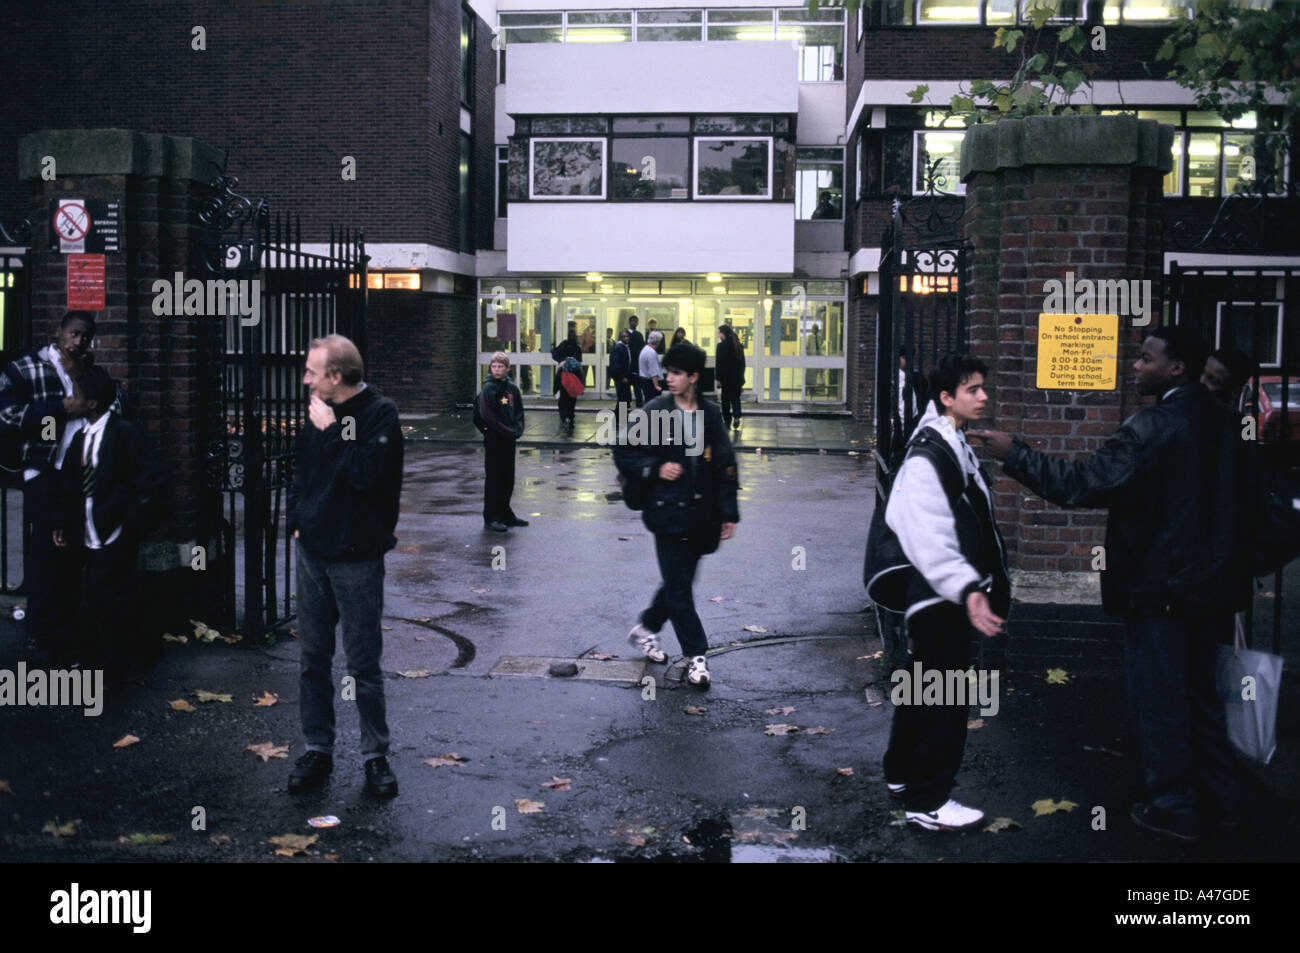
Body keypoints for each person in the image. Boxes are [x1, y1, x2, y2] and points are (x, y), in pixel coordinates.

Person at [970, 327, 1249, 842]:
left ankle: (1174, 809)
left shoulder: (1152, 427)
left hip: (1160, 592)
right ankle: (1222, 804)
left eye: (1146, 359)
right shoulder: (1229, 423)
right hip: (1210, 593)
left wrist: (1015, 452)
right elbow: (1254, 509)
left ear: (1177, 368)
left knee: (1161, 704)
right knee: (1203, 701)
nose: (1136, 367)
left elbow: (1079, 484)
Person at [876, 354, 1008, 832]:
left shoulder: (951, 440)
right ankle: (928, 801)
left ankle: (901, 775)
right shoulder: (929, 452)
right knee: (945, 699)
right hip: (940, 599)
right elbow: (925, 529)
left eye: (982, 387)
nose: (984, 396)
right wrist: (968, 589)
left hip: (941, 594)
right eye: (973, 389)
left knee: (921, 689)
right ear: (946, 398)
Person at [287, 334, 404, 798]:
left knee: (362, 664)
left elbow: (365, 477)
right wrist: (296, 519)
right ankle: (318, 747)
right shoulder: (317, 411)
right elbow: (300, 471)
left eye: (313, 372)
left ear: (336, 376)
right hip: (312, 552)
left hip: (356, 557)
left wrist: (333, 429)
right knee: (312, 658)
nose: (306, 379)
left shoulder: (381, 414)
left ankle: (375, 756)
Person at [614, 341, 739, 689]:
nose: (668, 378)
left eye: (676, 373)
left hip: (702, 515)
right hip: (666, 514)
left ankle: (645, 628)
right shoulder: (656, 410)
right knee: (681, 589)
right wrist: (655, 468)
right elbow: (624, 451)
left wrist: (728, 513)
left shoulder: (709, 414)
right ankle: (697, 656)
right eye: (667, 371)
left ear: (694, 377)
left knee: (677, 583)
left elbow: (726, 464)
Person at [0, 311, 118, 664]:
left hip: (81, 469)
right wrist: (60, 409)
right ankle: (40, 632)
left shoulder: (88, 369)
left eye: (86, 337)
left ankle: (65, 630)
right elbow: (5, 414)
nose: (79, 342)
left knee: (74, 551)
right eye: (74, 334)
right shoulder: (26, 368)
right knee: (46, 550)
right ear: (59, 332)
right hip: (45, 470)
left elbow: (114, 404)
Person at [52, 366, 164, 681]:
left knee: (112, 594)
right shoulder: (80, 438)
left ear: (91, 403)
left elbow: (148, 479)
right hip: (85, 527)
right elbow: (68, 483)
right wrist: (62, 520)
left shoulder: (123, 433)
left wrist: (129, 520)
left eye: (74, 395)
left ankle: (115, 664)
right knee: (92, 593)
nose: (68, 400)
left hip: (112, 529)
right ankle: (96, 658)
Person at [473, 351, 527, 533]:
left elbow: (519, 411)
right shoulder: (488, 389)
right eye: (494, 366)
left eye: (500, 367)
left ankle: (505, 513)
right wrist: (503, 431)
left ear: (507, 368)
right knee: (494, 479)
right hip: (495, 439)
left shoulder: (512, 389)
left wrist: (518, 429)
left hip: (509, 439)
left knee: (507, 478)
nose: (496, 370)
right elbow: (486, 416)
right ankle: (491, 517)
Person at [551, 321, 583, 435]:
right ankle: (570, 416)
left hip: (564, 377)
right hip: (573, 378)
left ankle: (564, 417)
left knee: (563, 399)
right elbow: (580, 364)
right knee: (572, 400)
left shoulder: (564, 345)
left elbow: (554, 354)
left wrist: (554, 390)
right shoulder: (577, 348)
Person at [715, 324, 746, 430]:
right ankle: (736, 417)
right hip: (737, 378)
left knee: (725, 401)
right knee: (736, 399)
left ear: (723, 333)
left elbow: (719, 363)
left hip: (726, 378)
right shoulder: (738, 345)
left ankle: (727, 421)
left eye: (719, 333)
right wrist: (741, 379)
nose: (718, 335)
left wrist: (718, 379)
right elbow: (742, 364)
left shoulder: (721, 346)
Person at [608, 329, 634, 405]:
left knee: (625, 398)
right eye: (623, 337)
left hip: (625, 377)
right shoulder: (618, 348)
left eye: (627, 336)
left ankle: (621, 415)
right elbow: (616, 365)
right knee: (623, 399)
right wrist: (622, 377)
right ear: (620, 338)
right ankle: (621, 416)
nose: (626, 338)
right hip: (620, 378)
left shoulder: (625, 347)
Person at [638, 330, 664, 401]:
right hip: (651, 383)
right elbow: (653, 371)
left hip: (645, 381)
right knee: (654, 407)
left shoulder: (645, 350)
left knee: (649, 404)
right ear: (658, 342)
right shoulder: (651, 353)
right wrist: (656, 386)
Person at [626, 315, 646, 407]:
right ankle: (626, 403)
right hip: (626, 364)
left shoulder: (639, 335)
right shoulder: (624, 334)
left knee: (637, 384)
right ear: (629, 322)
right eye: (633, 321)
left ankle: (639, 401)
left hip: (636, 364)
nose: (634, 323)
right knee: (626, 385)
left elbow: (642, 349)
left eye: (636, 321)